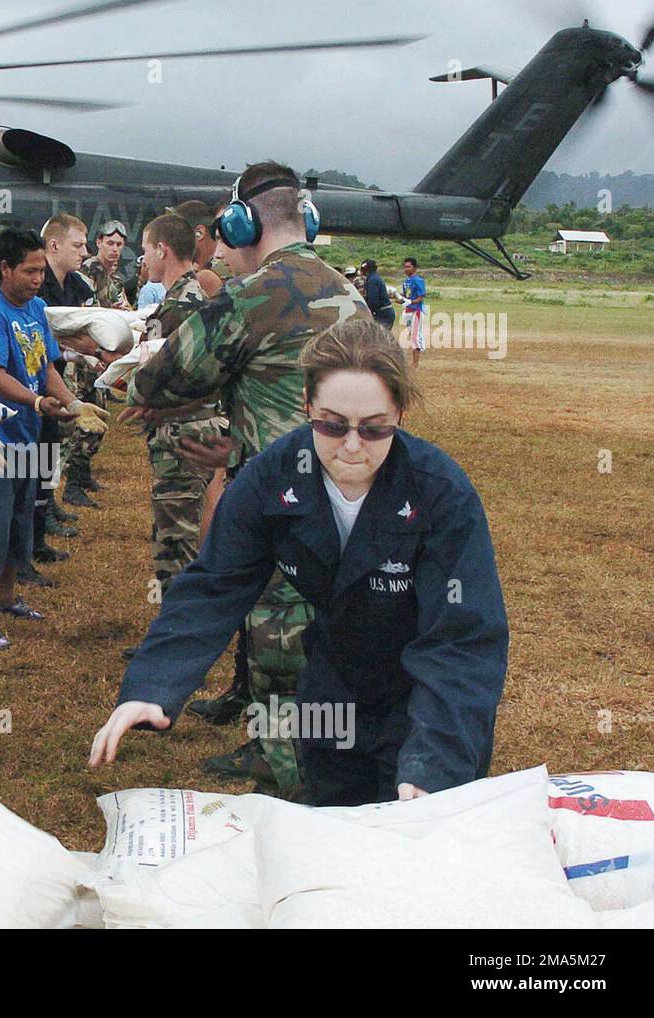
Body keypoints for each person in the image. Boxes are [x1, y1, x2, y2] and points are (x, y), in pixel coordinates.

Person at [91, 319, 509, 807]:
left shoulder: (441, 493)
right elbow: (213, 586)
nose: (352, 446)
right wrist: (153, 685)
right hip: (333, 685)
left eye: (374, 429)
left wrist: (432, 766)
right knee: (331, 826)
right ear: (307, 406)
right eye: (332, 425)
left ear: (401, 413)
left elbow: (462, 637)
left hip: (428, 694)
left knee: (421, 849)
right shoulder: (272, 476)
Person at [120, 161, 371, 795]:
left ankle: (292, 792)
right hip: (357, 501)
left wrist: (157, 391)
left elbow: (159, 376)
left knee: (281, 649)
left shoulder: (259, 295)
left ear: (242, 224)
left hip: (289, 508)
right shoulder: (353, 295)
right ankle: (283, 754)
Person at [0, 228, 105, 651]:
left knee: (18, 521)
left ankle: (6, 597)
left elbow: (45, 367)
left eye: (41, 270)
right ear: (5, 269)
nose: (38, 279)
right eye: (29, 271)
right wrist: (39, 403)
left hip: (24, 436)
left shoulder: (36, 309)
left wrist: (73, 404)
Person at [137, 213, 229, 589]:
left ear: (162, 249)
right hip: (194, 429)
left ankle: (178, 639)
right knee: (179, 535)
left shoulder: (179, 307)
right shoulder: (196, 296)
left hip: (181, 434)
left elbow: (166, 377)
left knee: (176, 545)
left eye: (146, 250)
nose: (143, 260)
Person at [30, 213, 97, 578]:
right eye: (78, 245)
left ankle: (44, 515)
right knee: (33, 456)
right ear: (53, 246)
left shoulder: (74, 285)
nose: (84, 253)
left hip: (57, 377)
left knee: (50, 449)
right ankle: (33, 533)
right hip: (35, 385)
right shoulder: (36, 288)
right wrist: (88, 349)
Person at [61, 219, 126, 509]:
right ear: (99, 242)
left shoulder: (112, 278)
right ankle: (70, 485)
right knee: (79, 423)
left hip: (96, 356)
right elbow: (86, 315)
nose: (114, 249)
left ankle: (81, 475)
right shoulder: (90, 271)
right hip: (84, 357)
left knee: (97, 417)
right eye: (109, 243)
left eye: (119, 244)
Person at [167, 200, 228, 297]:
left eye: (177, 234)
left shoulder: (208, 275)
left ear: (199, 233)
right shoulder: (210, 268)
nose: (171, 243)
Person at [401, 256, 427, 368]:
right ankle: (414, 361)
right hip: (407, 310)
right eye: (404, 267)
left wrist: (410, 301)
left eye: (408, 266)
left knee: (415, 336)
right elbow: (404, 296)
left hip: (416, 310)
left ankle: (415, 362)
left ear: (414, 268)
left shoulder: (418, 281)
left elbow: (421, 298)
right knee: (411, 335)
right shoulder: (405, 281)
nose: (406, 269)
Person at [361, 259, 396, 329]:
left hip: (382, 314)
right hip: (386, 313)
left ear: (365, 269)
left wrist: (366, 312)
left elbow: (373, 301)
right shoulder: (375, 278)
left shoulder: (372, 280)